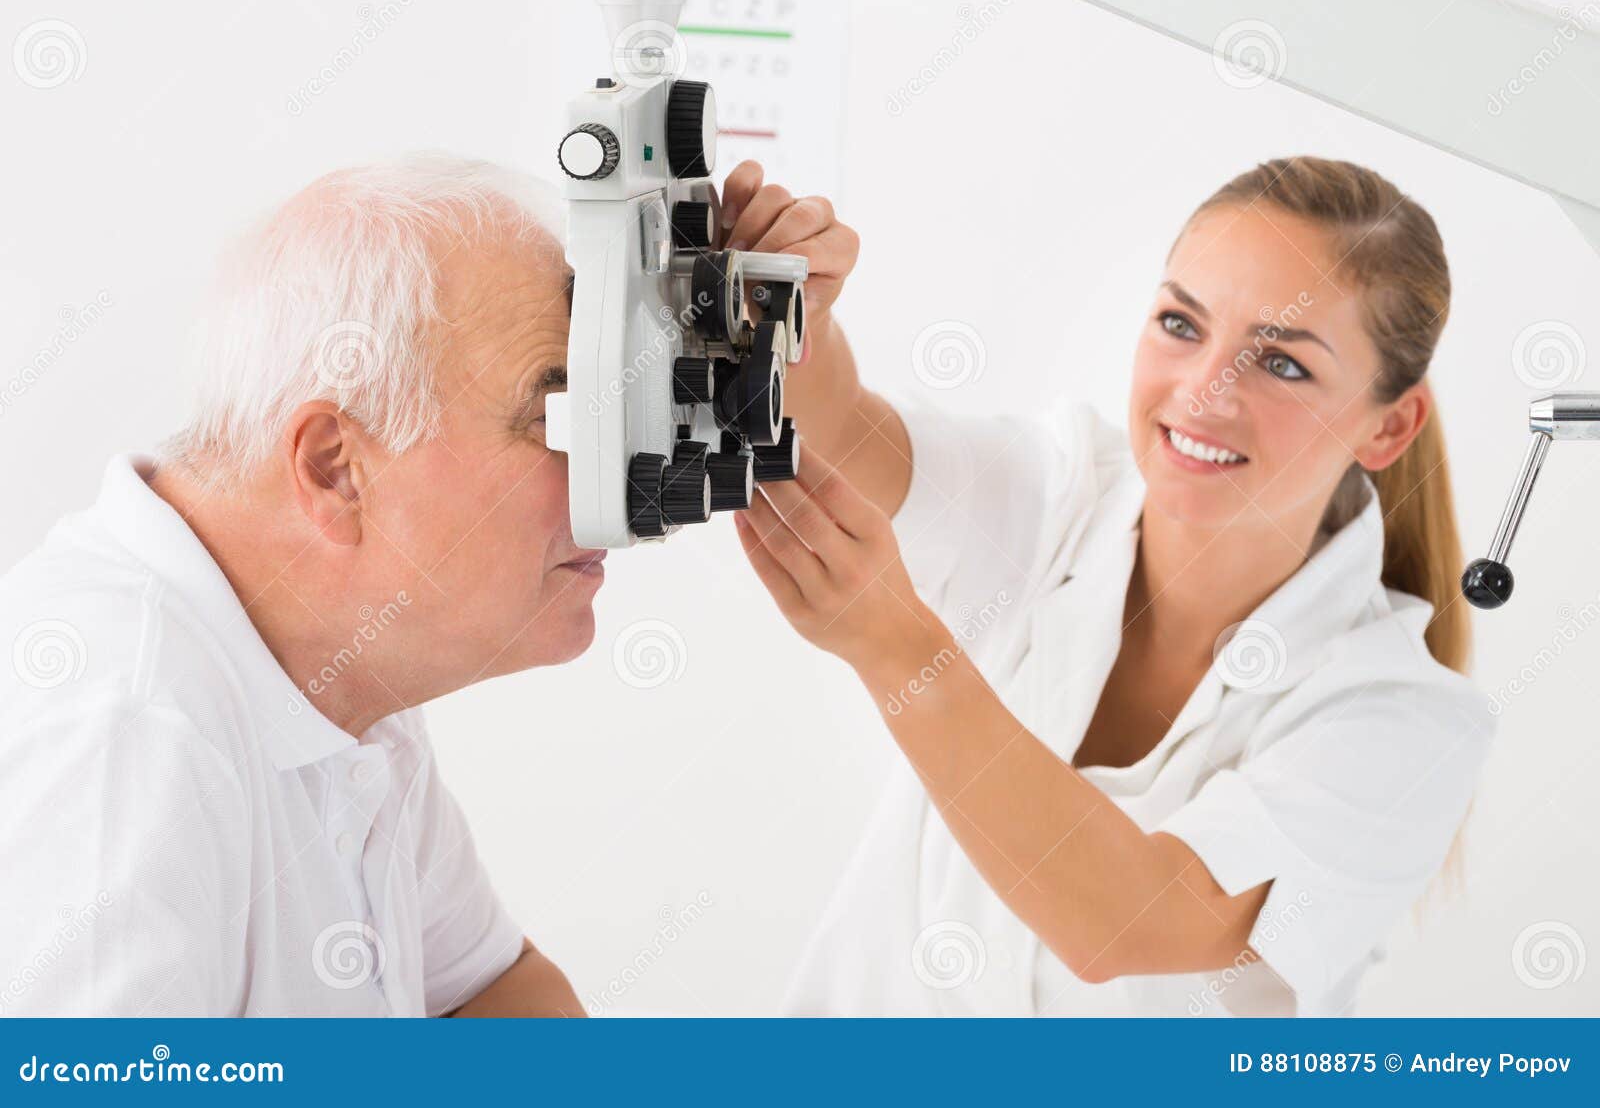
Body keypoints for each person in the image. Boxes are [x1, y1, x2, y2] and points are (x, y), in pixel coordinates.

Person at [722, 155, 1496, 1016]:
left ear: (1390, 426)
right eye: (1180, 323)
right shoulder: (1060, 490)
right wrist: (791, 311)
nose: (1204, 391)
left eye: (1282, 364)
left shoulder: (1403, 719)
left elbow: (1124, 922)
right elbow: (842, 427)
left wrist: (896, 649)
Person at [0, 155, 599, 1015]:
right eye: (556, 423)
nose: (618, 495)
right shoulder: (124, 733)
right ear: (334, 468)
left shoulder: (345, 671)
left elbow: (496, 998)